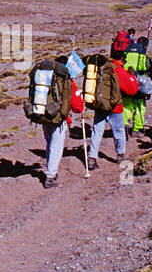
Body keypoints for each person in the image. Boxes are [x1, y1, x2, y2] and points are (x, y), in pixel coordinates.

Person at [89, 35, 139, 168]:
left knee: (97, 131)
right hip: (114, 106)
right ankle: (121, 155)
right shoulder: (117, 70)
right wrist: (132, 77)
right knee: (119, 131)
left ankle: (92, 157)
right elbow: (132, 89)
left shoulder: (103, 67)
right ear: (121, 59)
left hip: (100, 104)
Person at [42, 58, 84, 189]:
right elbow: (77, 105)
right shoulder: (67, 82)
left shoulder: (46, 79)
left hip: (44, 116)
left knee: (50, 144)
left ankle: (51, 170)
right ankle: (50, 176)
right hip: (59, 119)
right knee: (56, 147)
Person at [121, 33, 152, 137]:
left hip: (126, 83)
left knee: (126, 106)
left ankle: (125, 124)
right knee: (140, 108)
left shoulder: (127, 53)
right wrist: (149, 91)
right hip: (139, 86)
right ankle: (137, 130)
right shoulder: (145, 58)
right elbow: (149, 74)